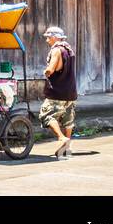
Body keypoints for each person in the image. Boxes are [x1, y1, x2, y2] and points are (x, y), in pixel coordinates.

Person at [39, 25, 77, 159]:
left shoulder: (56, 50)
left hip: (57, 91)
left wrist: (46, 71)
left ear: (55, 37)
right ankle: (66, 150)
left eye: (48, 37)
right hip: (70, 92)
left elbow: (51, 68)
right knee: (68, 121)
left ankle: (62, 138)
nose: (47, 40)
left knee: (46, 115)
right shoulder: (69, 49)